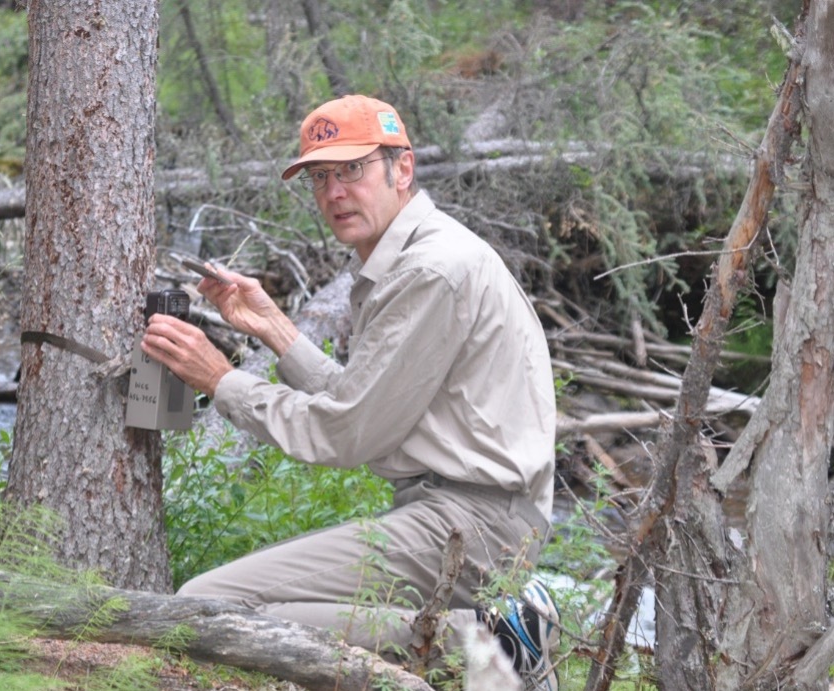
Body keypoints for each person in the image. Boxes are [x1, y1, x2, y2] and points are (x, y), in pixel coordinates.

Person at [142, 94, 560, 690]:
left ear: (402, 169)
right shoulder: (422, 254)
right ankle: (483, 638)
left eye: (352, 169)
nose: (334, 192)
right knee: (245, 609)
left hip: (475, 524)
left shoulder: (429, 270)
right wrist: (274, 329)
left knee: (205, 605)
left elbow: (345, 431)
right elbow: (369, 403)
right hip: (469, 516)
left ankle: (491, 645)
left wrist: (219, 379)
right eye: (319, 177)